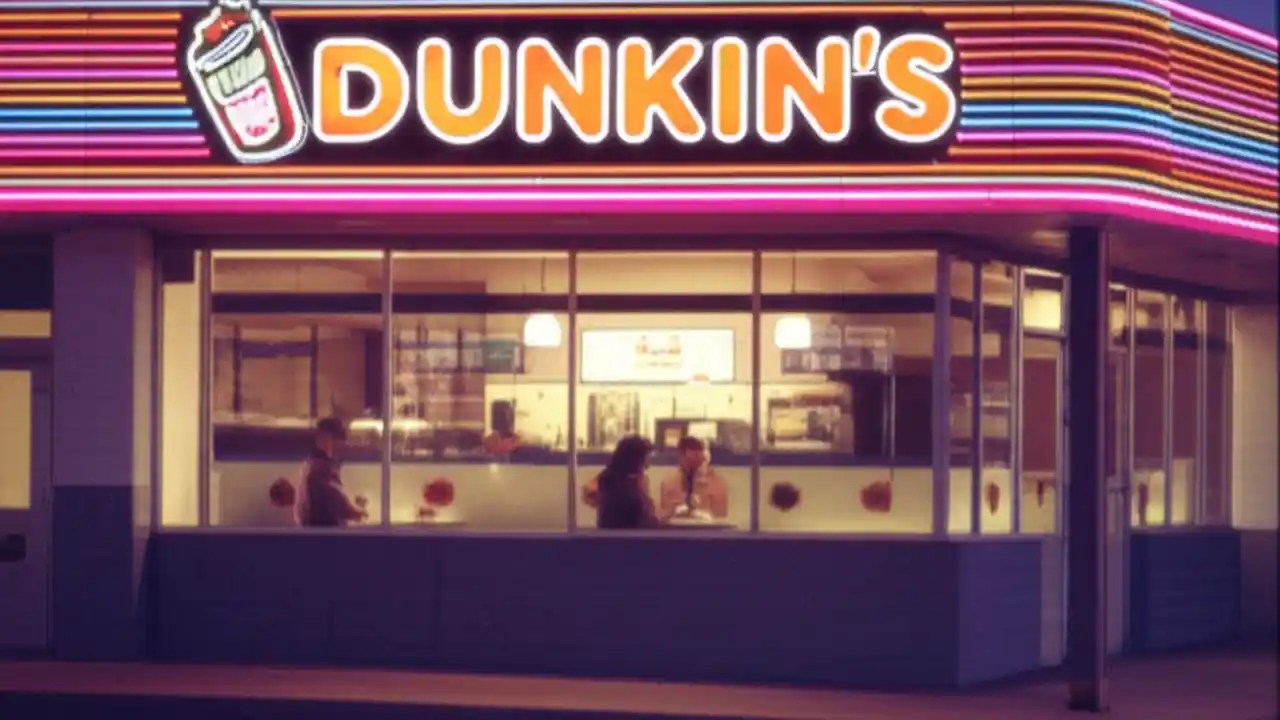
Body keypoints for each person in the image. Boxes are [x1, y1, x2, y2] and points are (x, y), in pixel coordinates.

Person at [296, 417, 366, 528]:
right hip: (326, 535)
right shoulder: (321, 469)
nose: (345, 446)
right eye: (341, 441)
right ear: (327, 439)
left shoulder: (311, 464)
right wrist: (360, 509)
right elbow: (342, 508)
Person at [595, 435, 659, 530]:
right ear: (637, 460)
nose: (648, 464)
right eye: (646, 458)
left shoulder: (609, 480)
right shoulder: (627, 491)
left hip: (609, 540)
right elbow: (643, 523)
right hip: (628, 541)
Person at [659, 436, 729, 519]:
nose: (692, 467)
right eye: (688, 461)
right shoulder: (669, 483)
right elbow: (665, 516)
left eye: (696, 461)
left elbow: (720, 517)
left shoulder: (716, 484)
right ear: (681, 457)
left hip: (706, 529)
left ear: (703, 458)